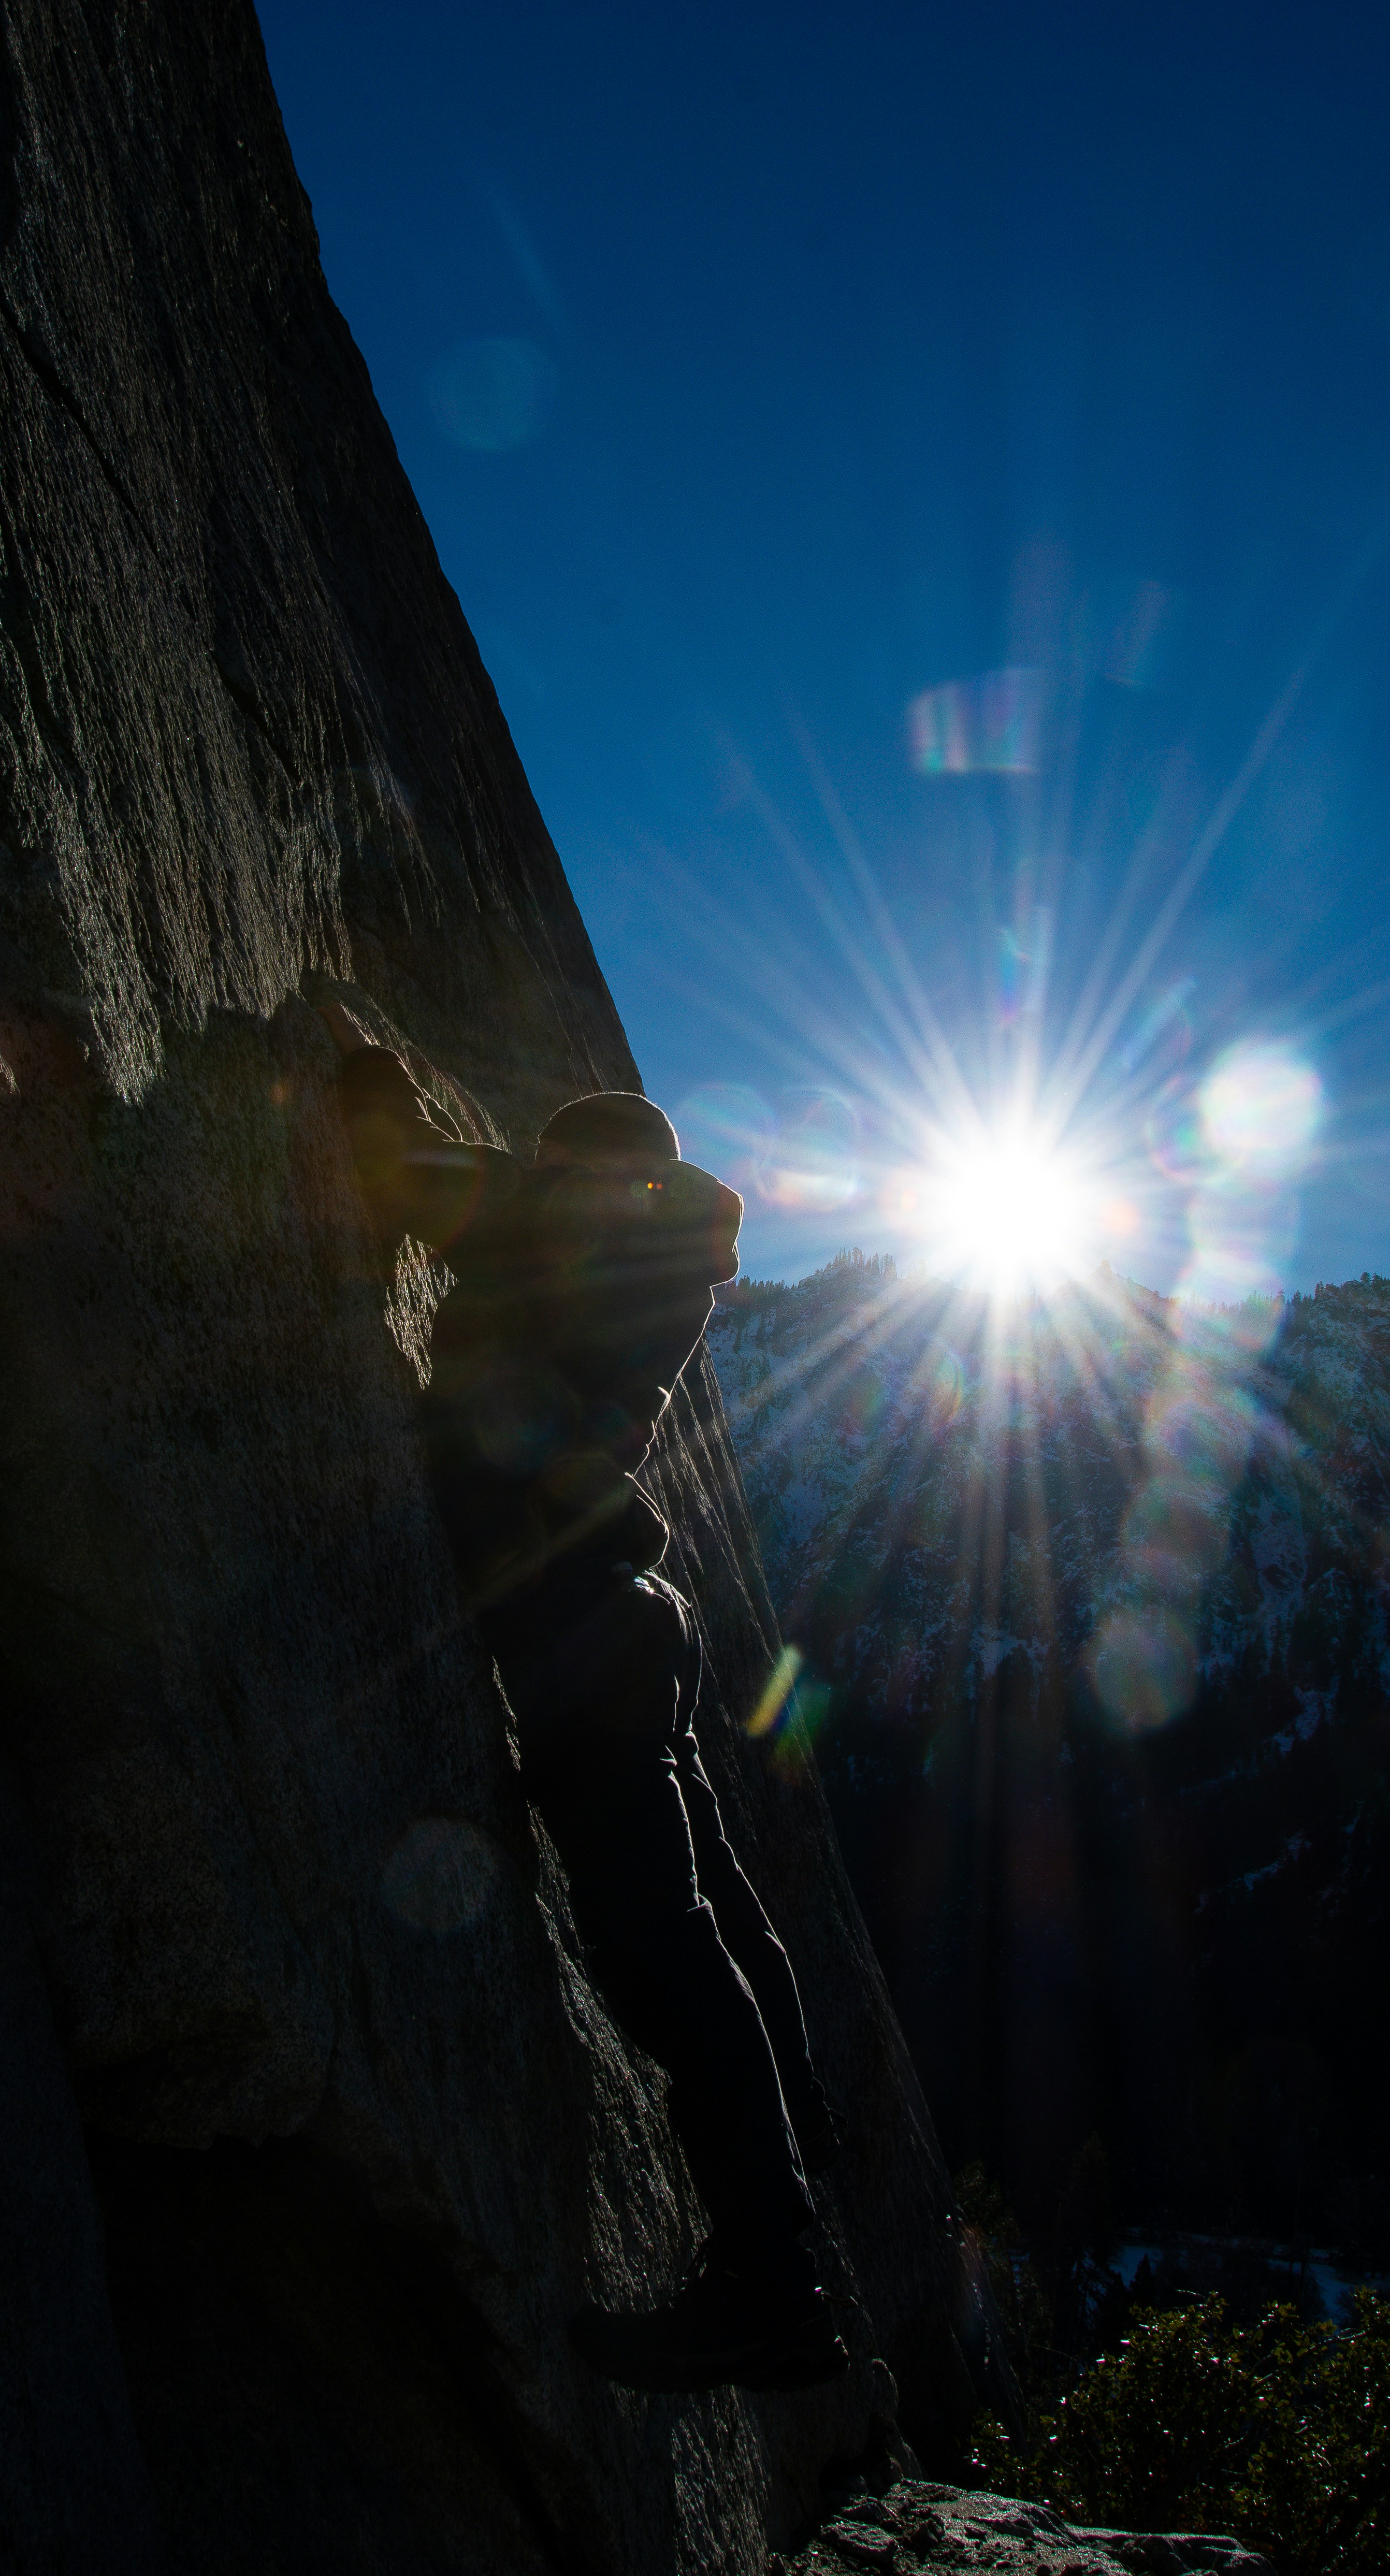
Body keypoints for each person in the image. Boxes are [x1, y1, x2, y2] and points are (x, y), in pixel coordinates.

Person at [320, 1002, 848, 2394]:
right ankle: (806, 2237)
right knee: (723, 1932)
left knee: (665, 1948)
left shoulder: (581, 1222)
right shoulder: (663, 1251)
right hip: (624, 1623)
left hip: (577, 1632)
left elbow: (405, 1168)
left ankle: (774, 2282)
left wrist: (369, 1080)